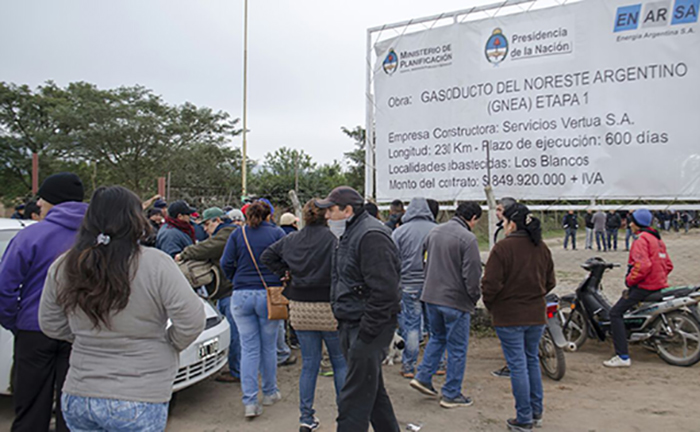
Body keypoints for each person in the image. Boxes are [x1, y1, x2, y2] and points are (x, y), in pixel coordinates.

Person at [38, 186, 205, 432]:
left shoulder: (65, 265)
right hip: (139, 395)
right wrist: (168, 343)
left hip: (79, 394)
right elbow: (192, 320)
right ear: (135, 218)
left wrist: (86, 338)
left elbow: (50, 323)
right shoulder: (156, 264)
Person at [0, 172, 87, 432]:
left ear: (54, 202)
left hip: (34, 330)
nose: (38, 203)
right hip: (80, 332)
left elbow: (4, 287)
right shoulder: (97, 238)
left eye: (43, 198)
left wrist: (14, 321)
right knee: (71, 409)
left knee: (30, 406)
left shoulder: (30, 236)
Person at [316, 186, 401, 432]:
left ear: (348, 210)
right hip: (351, 323)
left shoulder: (371, 235)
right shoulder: (351, 234)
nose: (326, 216)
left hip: (367, 327)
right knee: (370, 391)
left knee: (353, 399)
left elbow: (386, 291)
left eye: (331, 210)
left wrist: (367, 332)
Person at [261, 200, 348, 432]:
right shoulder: (335, 241)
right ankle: (345, 417)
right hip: (329, 306)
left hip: (299, 306)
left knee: (309, 364)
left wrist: (286, 274)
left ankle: (306, 418)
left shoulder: (291, 239)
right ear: (327, 216)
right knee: (339, 362)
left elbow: (267, 256)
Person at [482, 203, 555, 431]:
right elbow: (550, 281)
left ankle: (523, 418)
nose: (503, 226)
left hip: (509, 317)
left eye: (504, 221)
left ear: (512, 223)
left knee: (518, 366)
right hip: (535, 315)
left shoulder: (502, 248)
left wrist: (492, 305)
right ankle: (536, 412)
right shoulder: (541, 247)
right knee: (530, 360)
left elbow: (489, 285)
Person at [410, 201, 482, 409]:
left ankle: (423, 376)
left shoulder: (434, 232)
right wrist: (473, 297)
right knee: (457, 348)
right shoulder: (468, 239)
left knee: (437, 337)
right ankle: (451, 393)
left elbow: (422, 261)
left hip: (431, 296)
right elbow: (472, 275)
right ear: (473, 218)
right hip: (455, 301)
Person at [220, 201, 285, 418]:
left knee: (249, 348)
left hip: (241, 294)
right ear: (270, 215)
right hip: (270, 295)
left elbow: (226, 262)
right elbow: (287, 262)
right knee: (268, 347)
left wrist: (236, 279)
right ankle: (269, 392)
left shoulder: (238, 235)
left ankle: (249, 401)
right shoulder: (277, 233)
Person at [175, 207, 241, 383]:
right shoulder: (234, 232)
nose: (205, 228)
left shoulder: (228, 233)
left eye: (207, 224)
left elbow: (209, 248)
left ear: (217, 221)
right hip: (230, 291)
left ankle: (238, 370)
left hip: (230, 291)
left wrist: (184, 254)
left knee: (235, 333)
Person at [604, 209, 673, 368]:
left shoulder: (641, 240)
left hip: (644, 287)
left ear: (636, 223)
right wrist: (659, 276)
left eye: (631, 221)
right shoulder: (658, 240)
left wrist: (630, 281)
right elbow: (668, 265)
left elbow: (642, 266)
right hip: (659, 285)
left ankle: (622, 355)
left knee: (615, 313)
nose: (629, 224)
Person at [391, 198, 436, 379]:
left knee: (412, 327)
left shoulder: (399, 232)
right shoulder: (437, 230)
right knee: (435, 328)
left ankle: (409, 366)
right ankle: (438, 364)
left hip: (409, 285)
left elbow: (392, 261)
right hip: (433, 285)